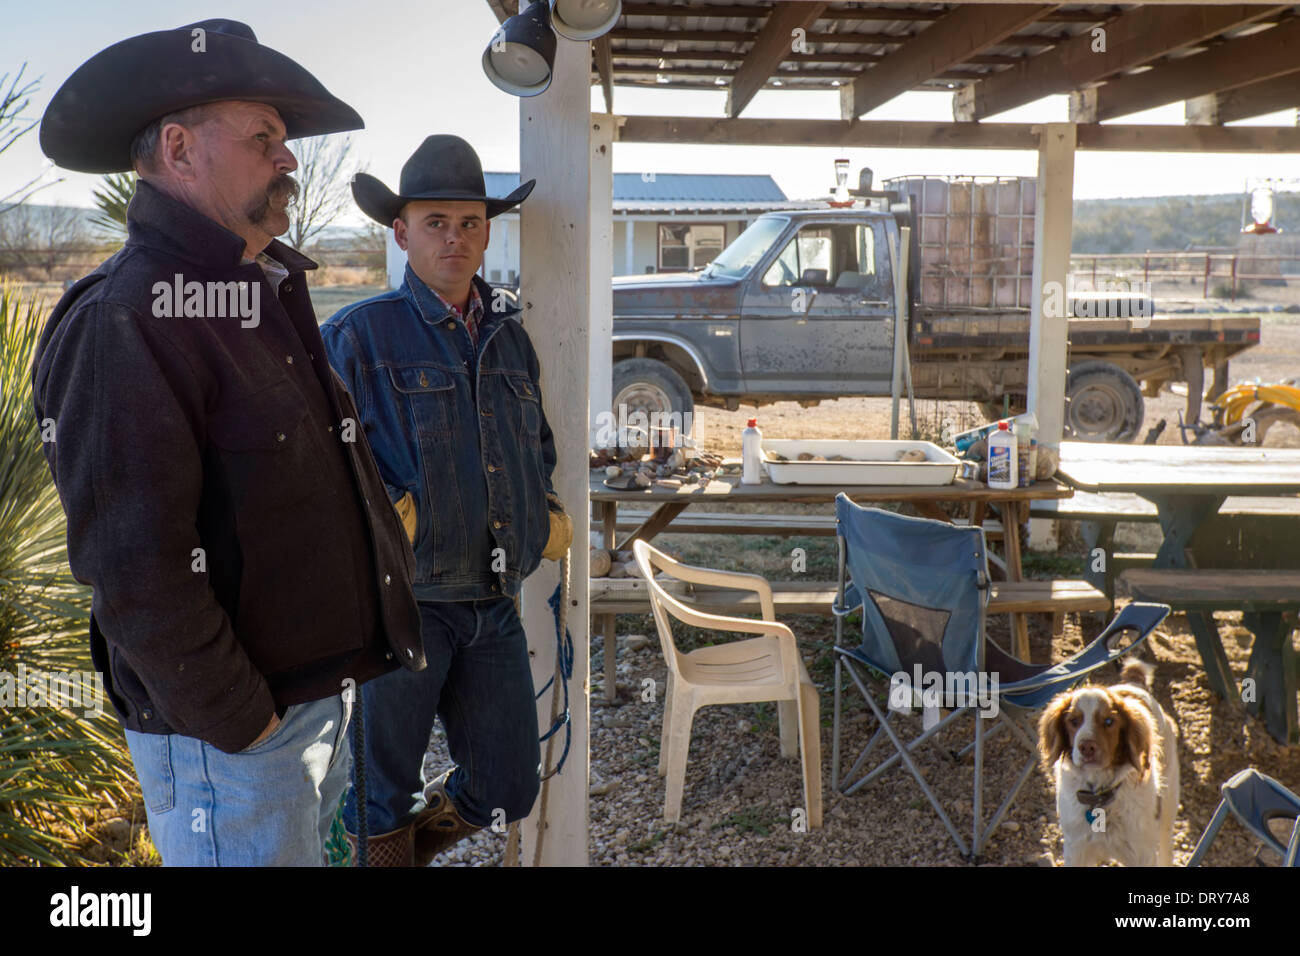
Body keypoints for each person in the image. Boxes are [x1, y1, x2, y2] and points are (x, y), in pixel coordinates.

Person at [32, 19, 424, 866]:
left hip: (307, 712)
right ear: (178, 149)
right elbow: (136, 570)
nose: (287, 160)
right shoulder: (124, 318)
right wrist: (245, 722)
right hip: (237, 742)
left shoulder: (258, 292)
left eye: (283, 142)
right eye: (264, 138)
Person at [322, 135, 572, 866]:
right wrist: (394, 517)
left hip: (492, 601)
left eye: (468, 223)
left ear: (488, 230)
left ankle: (413, 851)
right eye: (435, 222)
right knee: (379, 798)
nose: (454, 238)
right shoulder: (356, 336)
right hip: (403, 606)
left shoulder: (509, 339)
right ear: (400, 233)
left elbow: (540, 447)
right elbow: (320, 468)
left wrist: (543, 514)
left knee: (506, 787)